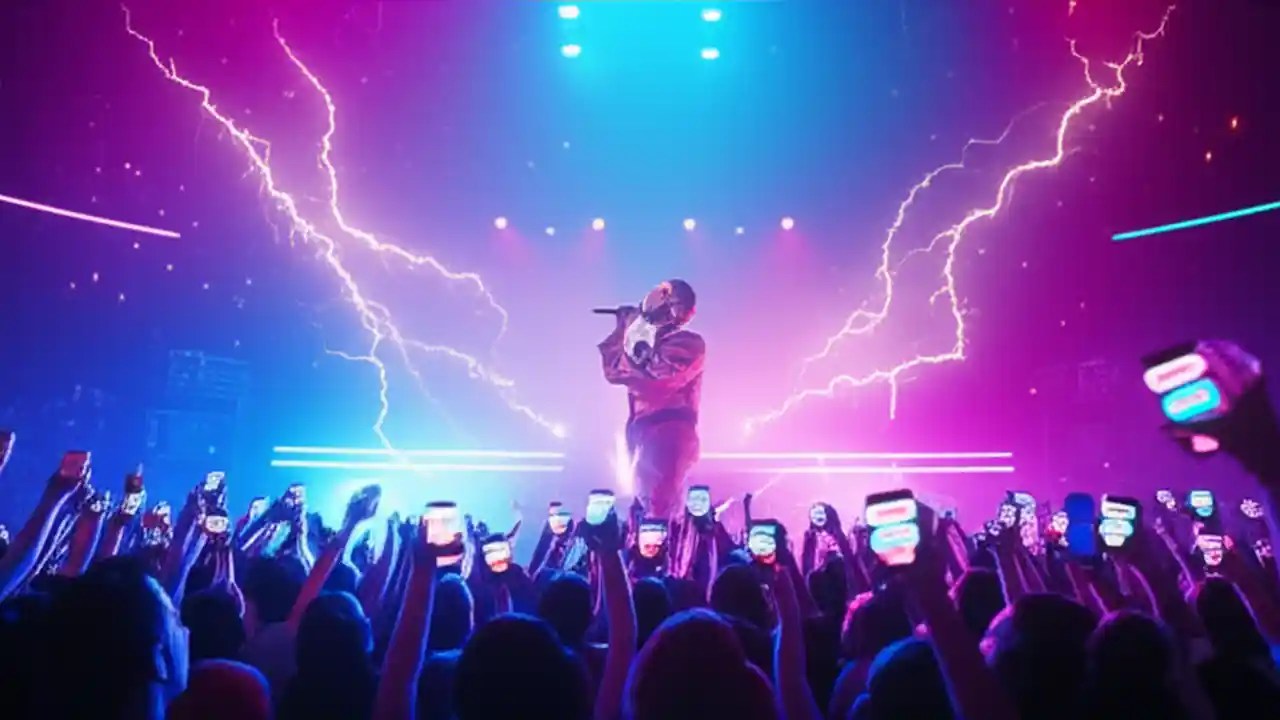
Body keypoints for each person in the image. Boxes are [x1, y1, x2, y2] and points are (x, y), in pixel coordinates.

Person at [598, 279, 705, 518]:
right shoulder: (649, 342)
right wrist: (624, 331)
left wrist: (629, 331)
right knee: (645, 509)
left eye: (664, 295)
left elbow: (652, 379)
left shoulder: (688, 344)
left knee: (660, 511)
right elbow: (615, 372)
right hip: (644, 433)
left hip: (668, 436)